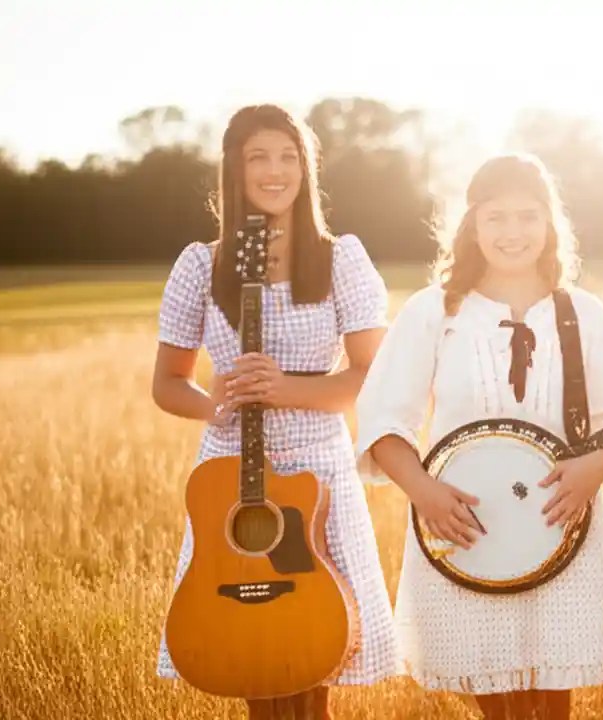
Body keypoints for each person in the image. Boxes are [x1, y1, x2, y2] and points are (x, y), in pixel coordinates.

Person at [354, 154, 603, 720]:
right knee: (499, 704)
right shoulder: (434, 313)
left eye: (528, 216)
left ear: (550, 223)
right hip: (465, 527)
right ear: (471, 225)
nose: (513, 232)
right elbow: (384, 422)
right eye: (496, 217)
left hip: (559, 521)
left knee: (550, 700)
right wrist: (423, 491)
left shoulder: (581, 313)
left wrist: (594, 470)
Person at [151, 104, 400, 719]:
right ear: (233, 170)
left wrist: (283, 388)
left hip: (317, 477)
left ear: (306, 170)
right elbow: (168, 382)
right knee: (249, 644)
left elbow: (373, 376)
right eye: (258, 156)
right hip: (232, 480)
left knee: (316, 648)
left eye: (289, 157)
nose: (274, 170)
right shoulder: (199, 264)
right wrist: (216, 406)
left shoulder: (340, 258)